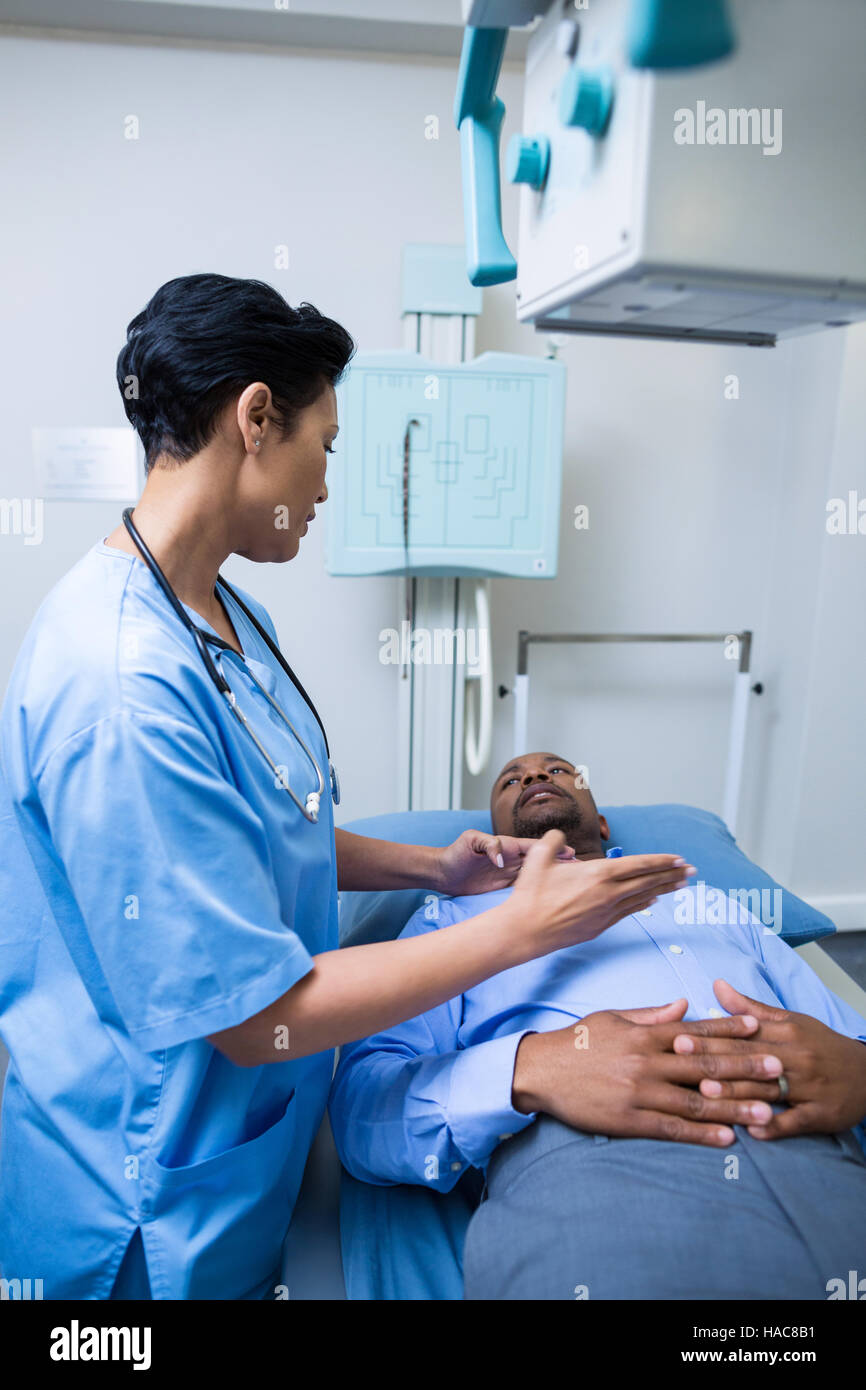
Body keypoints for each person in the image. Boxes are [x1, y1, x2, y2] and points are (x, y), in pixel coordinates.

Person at [0, 275, 694, 1301]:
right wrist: (520, 928)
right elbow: (249, 1016)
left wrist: (433, 864)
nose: (327, 482)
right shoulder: (120, 689)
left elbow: (258, 827)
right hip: (144, 1184)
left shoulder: (223, 615)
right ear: (254, 418)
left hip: (241, 1145)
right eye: (324, 442)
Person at [329, 751, 866, 1300]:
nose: (534, 777)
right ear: (493, 835)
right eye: (510, 780)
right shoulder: (447, 920)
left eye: (557, 770)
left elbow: (847, 1036)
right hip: (590, 1178)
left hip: (819, 1160)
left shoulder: (706, 900)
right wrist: (531, 1070)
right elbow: (361, 1108)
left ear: (603, 824)